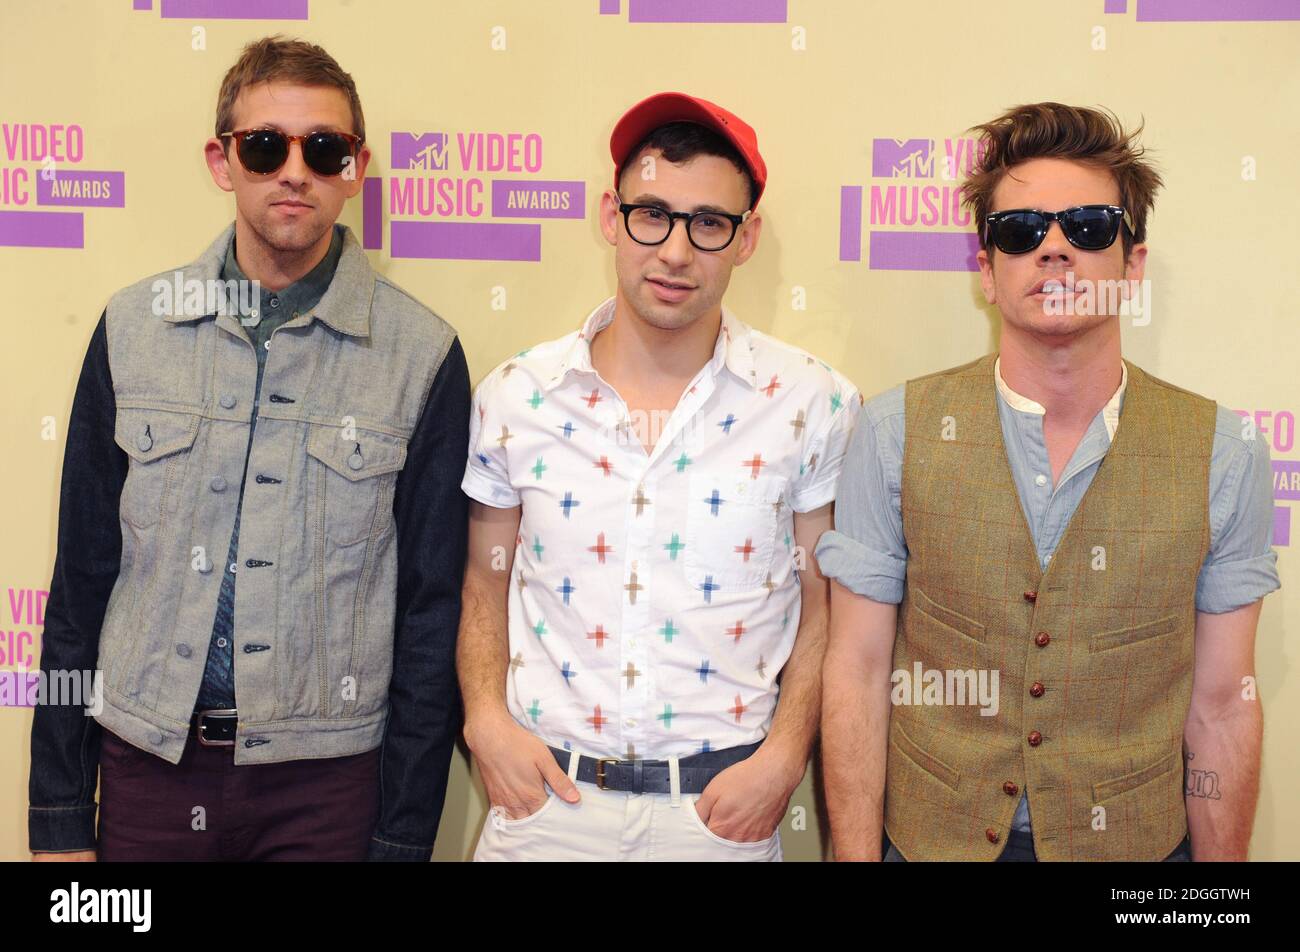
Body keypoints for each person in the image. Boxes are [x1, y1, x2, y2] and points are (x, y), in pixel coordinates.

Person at [29, 35, 469, 862]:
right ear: (222, 160)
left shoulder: (423, 355)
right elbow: (81, 582)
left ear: (356, 167)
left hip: (327, 789)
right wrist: (56, 814)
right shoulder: (134, 328)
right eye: (265, 147)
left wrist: (404, 837)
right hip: (147, 769)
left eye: (324, 148)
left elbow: (428, 616)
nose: (293, 171)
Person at [818, 102, 1280, 862]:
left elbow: (1225, 704)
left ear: (1132, 265)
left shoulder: (1225, 453)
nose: (1056, 249)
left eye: (1090, 227)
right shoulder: (892, 431)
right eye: (1021, 231)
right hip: (930, 842)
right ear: (988, 272)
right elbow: (859, 671)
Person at [458, 92, 861, 861]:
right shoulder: (518, 395)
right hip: (545, 807)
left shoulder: (811, 401)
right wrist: (484, 720)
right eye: (653, 214)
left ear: (746, 240)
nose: (676, 252)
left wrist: (783, 759)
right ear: (611, 216)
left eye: (709, 223)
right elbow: (484, 582)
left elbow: (826, 604)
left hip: (718, 815)